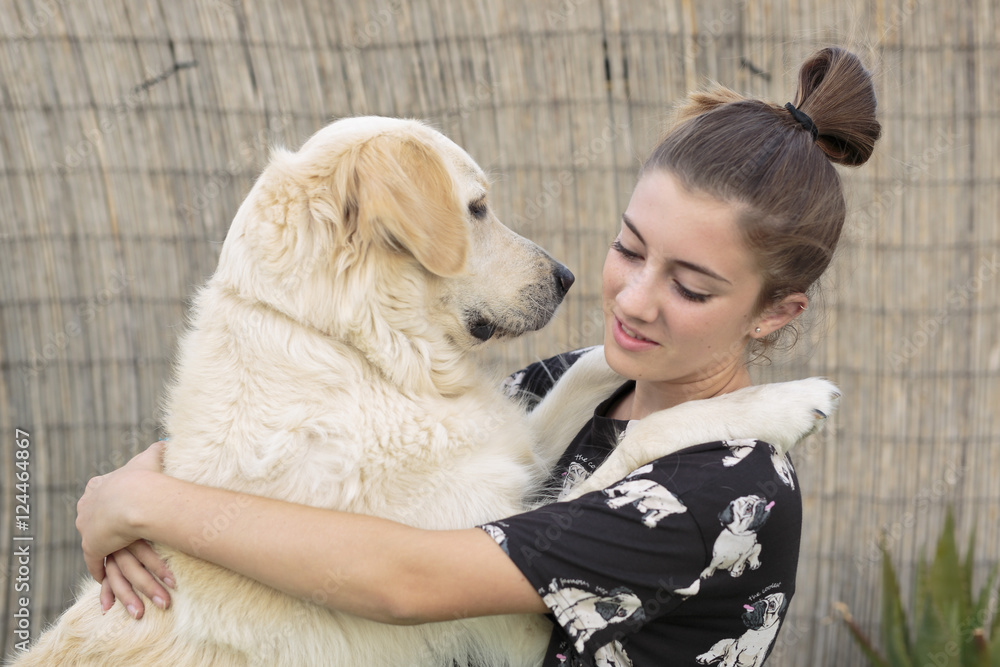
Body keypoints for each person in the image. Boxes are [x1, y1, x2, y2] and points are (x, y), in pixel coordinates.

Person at [76, 46, 880, 665]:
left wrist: (145, 503)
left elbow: (417, 582)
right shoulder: (571, 383)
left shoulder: (736, 483)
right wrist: (138, 487)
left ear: (776, 312)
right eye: (629, 249)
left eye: (691, 287)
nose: (632, 299)